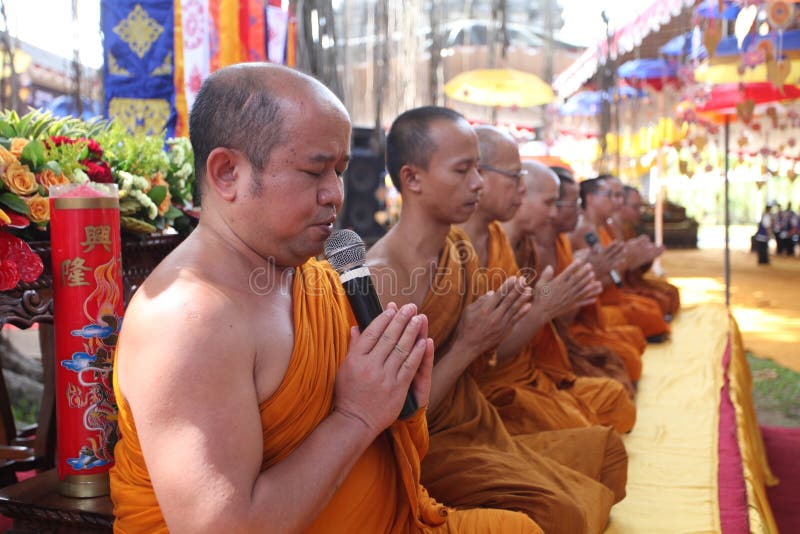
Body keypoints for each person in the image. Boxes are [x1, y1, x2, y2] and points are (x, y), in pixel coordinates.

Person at [109, 64, 541, 534]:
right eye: (315, 170)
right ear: (227, 172)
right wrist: (356, 416)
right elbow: (223, 527)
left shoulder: (312, 273)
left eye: (339, 171)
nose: (335, 193)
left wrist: (400, 398)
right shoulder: (189, 319)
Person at [368, 106, 628, 534]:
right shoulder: (382, 277)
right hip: (430, 446)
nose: (477, 183)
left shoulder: (460, 252)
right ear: (412, 178)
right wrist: (471, 343)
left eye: (479, 170)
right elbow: (393, 422)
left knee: (606, 455)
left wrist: (527, 316)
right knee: (563, 515)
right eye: (463, 170)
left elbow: (491, 357)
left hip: (481, 423)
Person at [458, 128, 635, 433]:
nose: (554, 214)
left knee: (616, 385)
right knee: (597, 436)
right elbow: (482, 350)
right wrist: (548, 304)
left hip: (532, 371)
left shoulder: (504, 242)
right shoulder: (455, 250)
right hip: (493, 389)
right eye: (515, 180)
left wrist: (575, 289)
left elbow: (551, 321)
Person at [506, 162, 635, 396]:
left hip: (557, 344)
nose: (578, 209)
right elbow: (539, 300)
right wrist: (580, 281)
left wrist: (582, 280)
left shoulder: (538, 244)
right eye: (550, 203)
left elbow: (544, 298)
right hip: (522, 365)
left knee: (624, 361)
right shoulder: (522, 245)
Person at [544, 168, 646, 383]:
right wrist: (588, 276)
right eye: (612, 196)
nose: (616, 202)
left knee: (634, 340)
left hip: (589, 318)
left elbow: (615, 282)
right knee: (625, 360)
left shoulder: (565, 239)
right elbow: (551, 313)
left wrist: (630, 262)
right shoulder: (575, 234)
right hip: (563, 336)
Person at [571, 177, 670, 340]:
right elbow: (551, 293)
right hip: (594, 309)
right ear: (590, 199)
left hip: (608, 300)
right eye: (610, 196)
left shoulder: (603, 227)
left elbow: (615, 275)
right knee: (645, 323)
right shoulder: (584, 231)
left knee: (656, 305)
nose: (617, 202)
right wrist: (625, 263)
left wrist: (638, 259)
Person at [614, 185, 680, 319]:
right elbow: (612, 275)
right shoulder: (605, 229)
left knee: (671, 292)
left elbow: (634, 273)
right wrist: (630, 261)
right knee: (656, 305)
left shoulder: (627, 229)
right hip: (616, 291)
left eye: (640, 207)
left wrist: (646, 259)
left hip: (629, 285)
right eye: (635, 207)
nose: (640, 212)